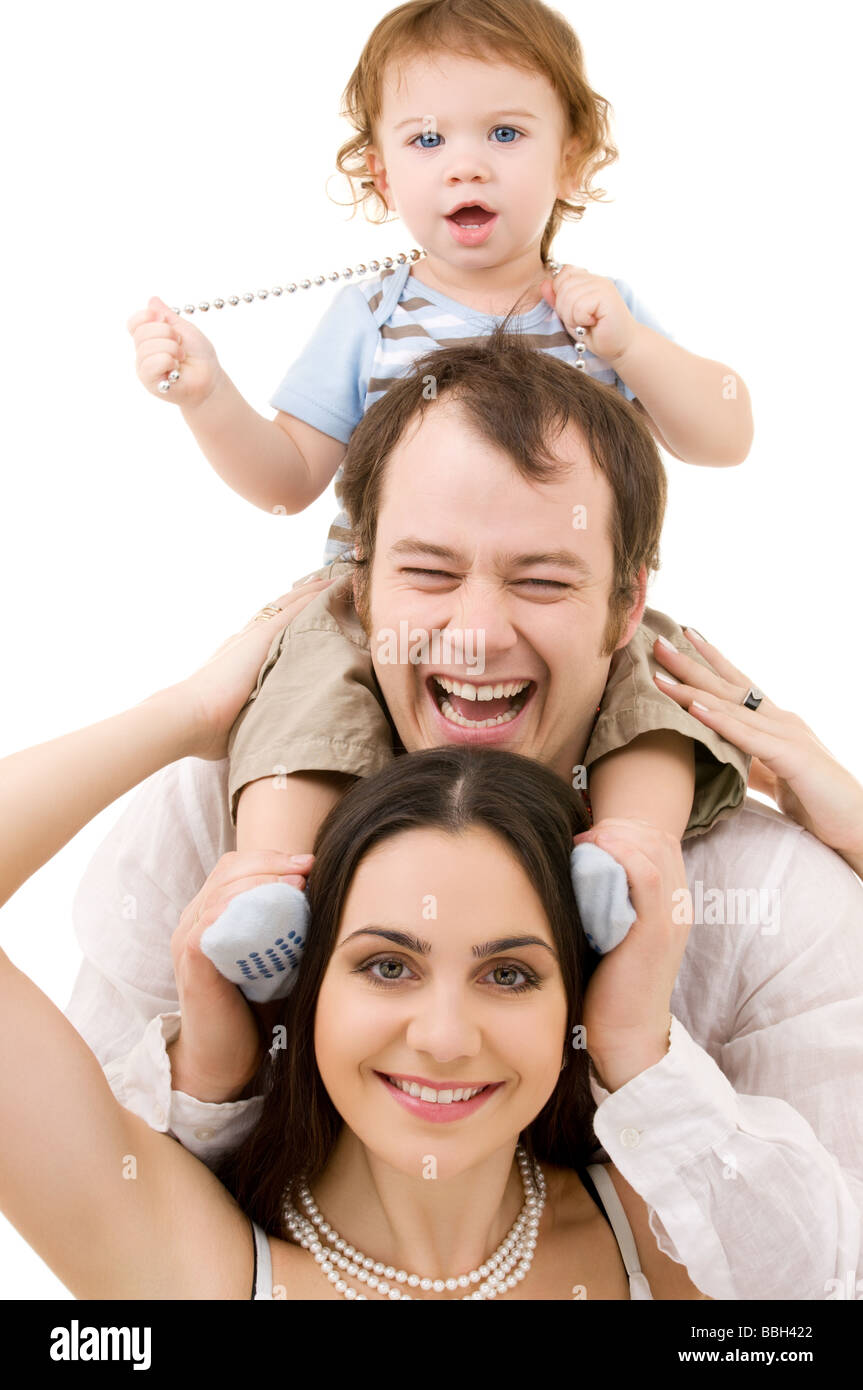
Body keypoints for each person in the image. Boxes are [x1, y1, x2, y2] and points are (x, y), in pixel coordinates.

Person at [68, 329, 863, 1299]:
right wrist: (210, 1073)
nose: (476, 636)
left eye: (540, 579)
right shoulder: (218, 832)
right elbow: (102, 1233)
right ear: (356, 589)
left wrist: (646, 1060)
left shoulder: (765, 892)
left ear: (626, 606)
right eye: (430, 573)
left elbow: (818, 1292)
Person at [125, 0, 754, 919]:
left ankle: (626, 862)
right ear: (379, 172)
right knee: (302, 693)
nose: (464, 162)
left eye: (504, 131)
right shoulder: (368, 318)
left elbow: (724, 437)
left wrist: (631, 348)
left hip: (569, 603)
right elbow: (287, 480)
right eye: (425, 140)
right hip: (378, 598)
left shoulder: (598, 309)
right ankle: (270, 891)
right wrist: (206, 397)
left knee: (657, 694)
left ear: (570, 157)